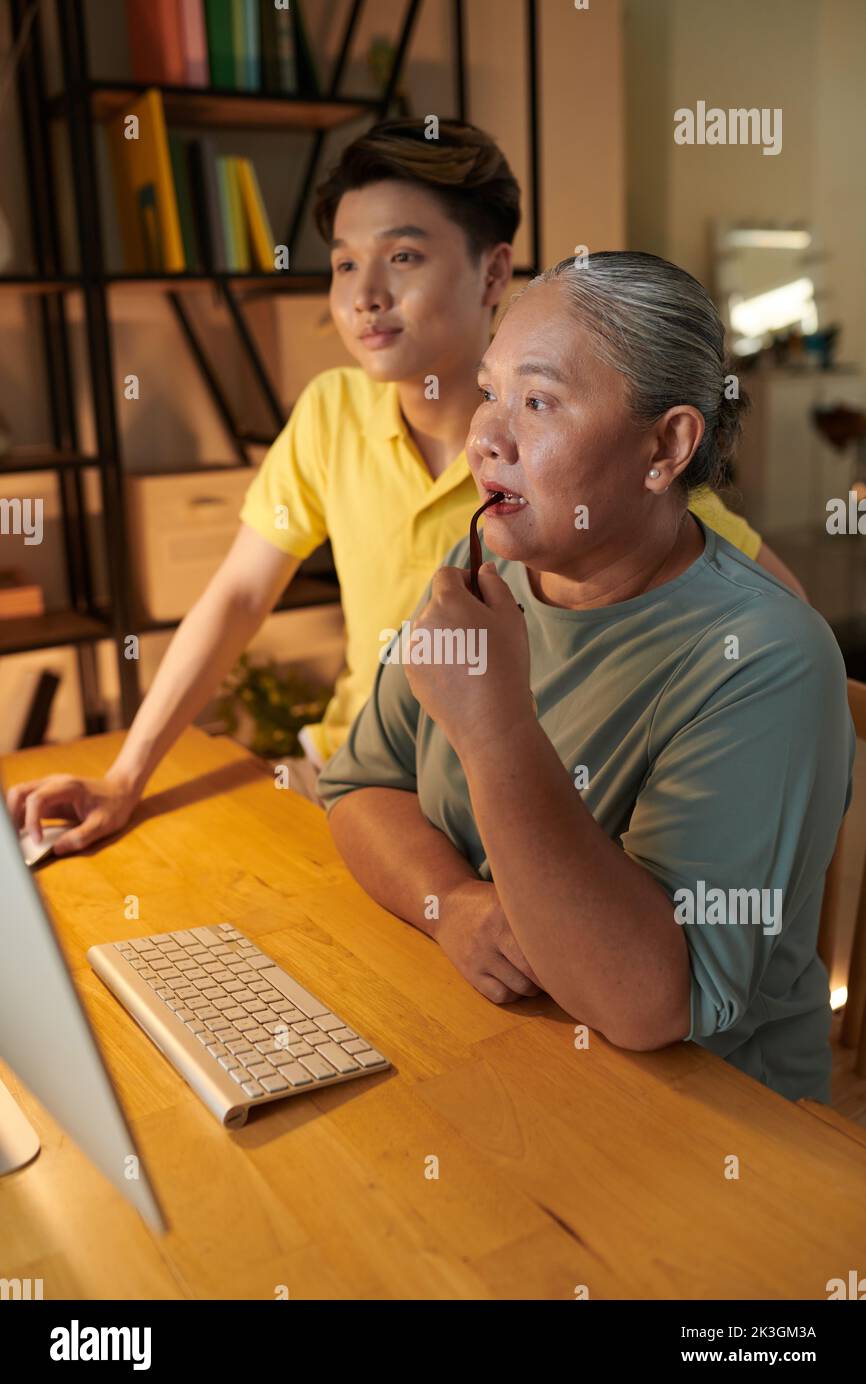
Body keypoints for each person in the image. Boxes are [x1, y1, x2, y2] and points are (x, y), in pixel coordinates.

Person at [6, 121, 804, 851]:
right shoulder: (332, 412)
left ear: (494, 271)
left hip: (509, 810)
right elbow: (239, 598)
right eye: (346, 262)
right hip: (362, 784)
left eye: (404, 257)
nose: (364, 294)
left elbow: (781, 619)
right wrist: (125, 776)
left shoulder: (588, 464)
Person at [320, 251, 855, 1104]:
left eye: (537, 402)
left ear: (666, 444)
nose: (487, 436)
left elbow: (651, 1002)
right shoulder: (483, 585)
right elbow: (358, 787)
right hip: (491, 1057)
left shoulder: (764, 656)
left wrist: (493, 727)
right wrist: (450, 901)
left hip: (710, 1129)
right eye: (490, 392)